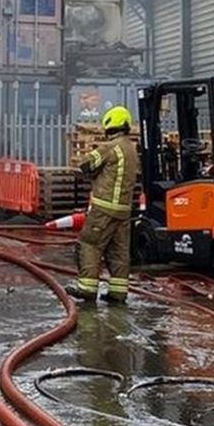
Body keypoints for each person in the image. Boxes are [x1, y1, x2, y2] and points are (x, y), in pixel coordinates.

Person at [67, 107, 139, 304]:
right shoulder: (131, 149)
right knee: (118, 252)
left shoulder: (110, 147)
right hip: (123, 211)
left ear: (110, 124)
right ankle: (118, 293)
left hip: (103, 209)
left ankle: (87, 289)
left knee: (89, 244)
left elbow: (86, 163)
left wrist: (88, 174)